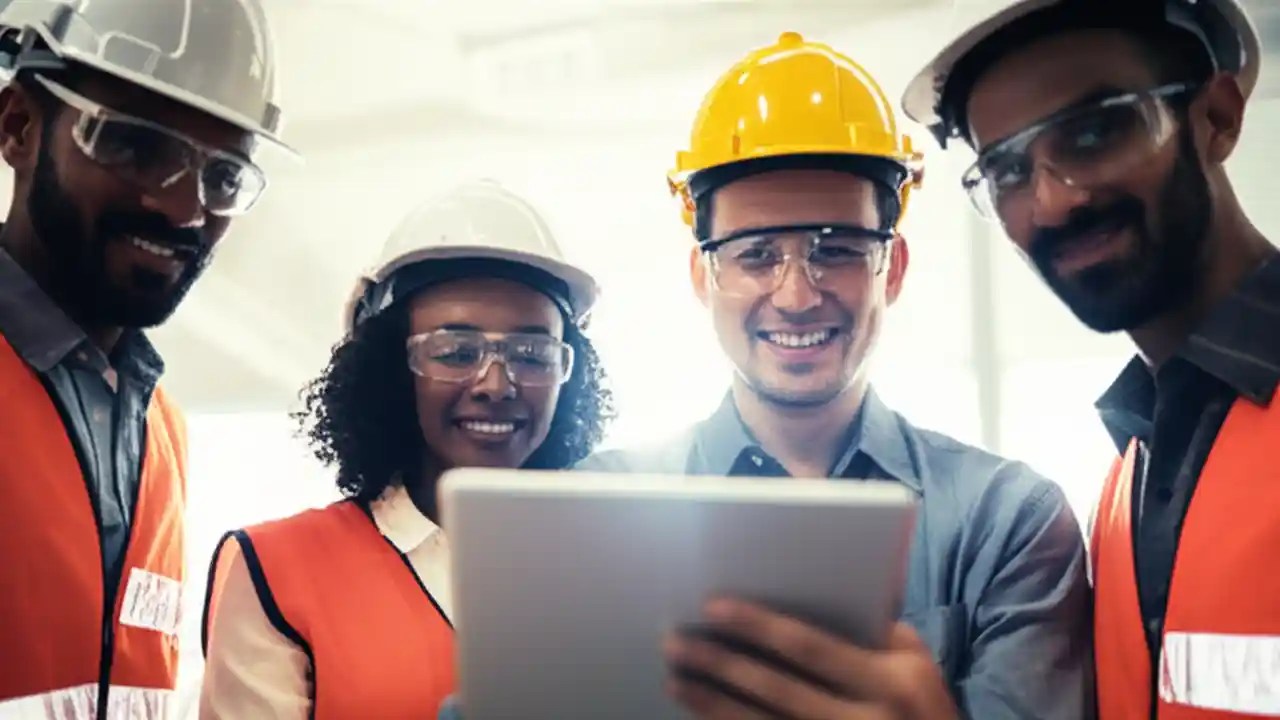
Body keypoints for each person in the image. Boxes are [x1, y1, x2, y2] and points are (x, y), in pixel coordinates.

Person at [562, 31, 1090, 719]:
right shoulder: (596, 514)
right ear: (704, 276)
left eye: (835, 250)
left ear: (891, 270)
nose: (797, 295)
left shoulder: (1005, 519)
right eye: (756, 254)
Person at [901, 1, 1278, 717]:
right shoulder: (1125, 482)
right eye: (1007, 169)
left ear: (1217, 119)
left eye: (1095, 131)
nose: (1050, 202)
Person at [199, 180, 615, 719]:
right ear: (391, 370)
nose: (496, 383)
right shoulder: (276, 570)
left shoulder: (611, 571)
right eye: (456, 351)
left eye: (532, 354)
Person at [0, 0, 294, 715]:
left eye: (223, 177)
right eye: (133, 145)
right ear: (18, 127)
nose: (182, 208)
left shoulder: (163, 430)